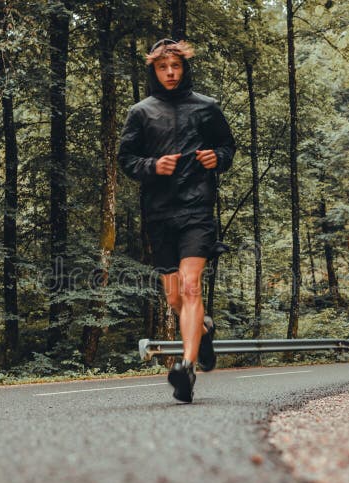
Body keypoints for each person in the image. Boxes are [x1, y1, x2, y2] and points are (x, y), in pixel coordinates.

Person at [117, 39, 236, 403]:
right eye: (162, 67)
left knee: (190, 287)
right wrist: (153, 166)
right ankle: (204, 329)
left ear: (185, 69)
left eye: (176, 66)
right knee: (173, 297)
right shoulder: (141, 112)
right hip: (159, 212)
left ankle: (186, 367)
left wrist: (217, 157)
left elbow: (227, 148)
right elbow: (126, 159)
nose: (170, 73)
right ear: (154, 71)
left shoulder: (207, 107)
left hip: (197, 208)